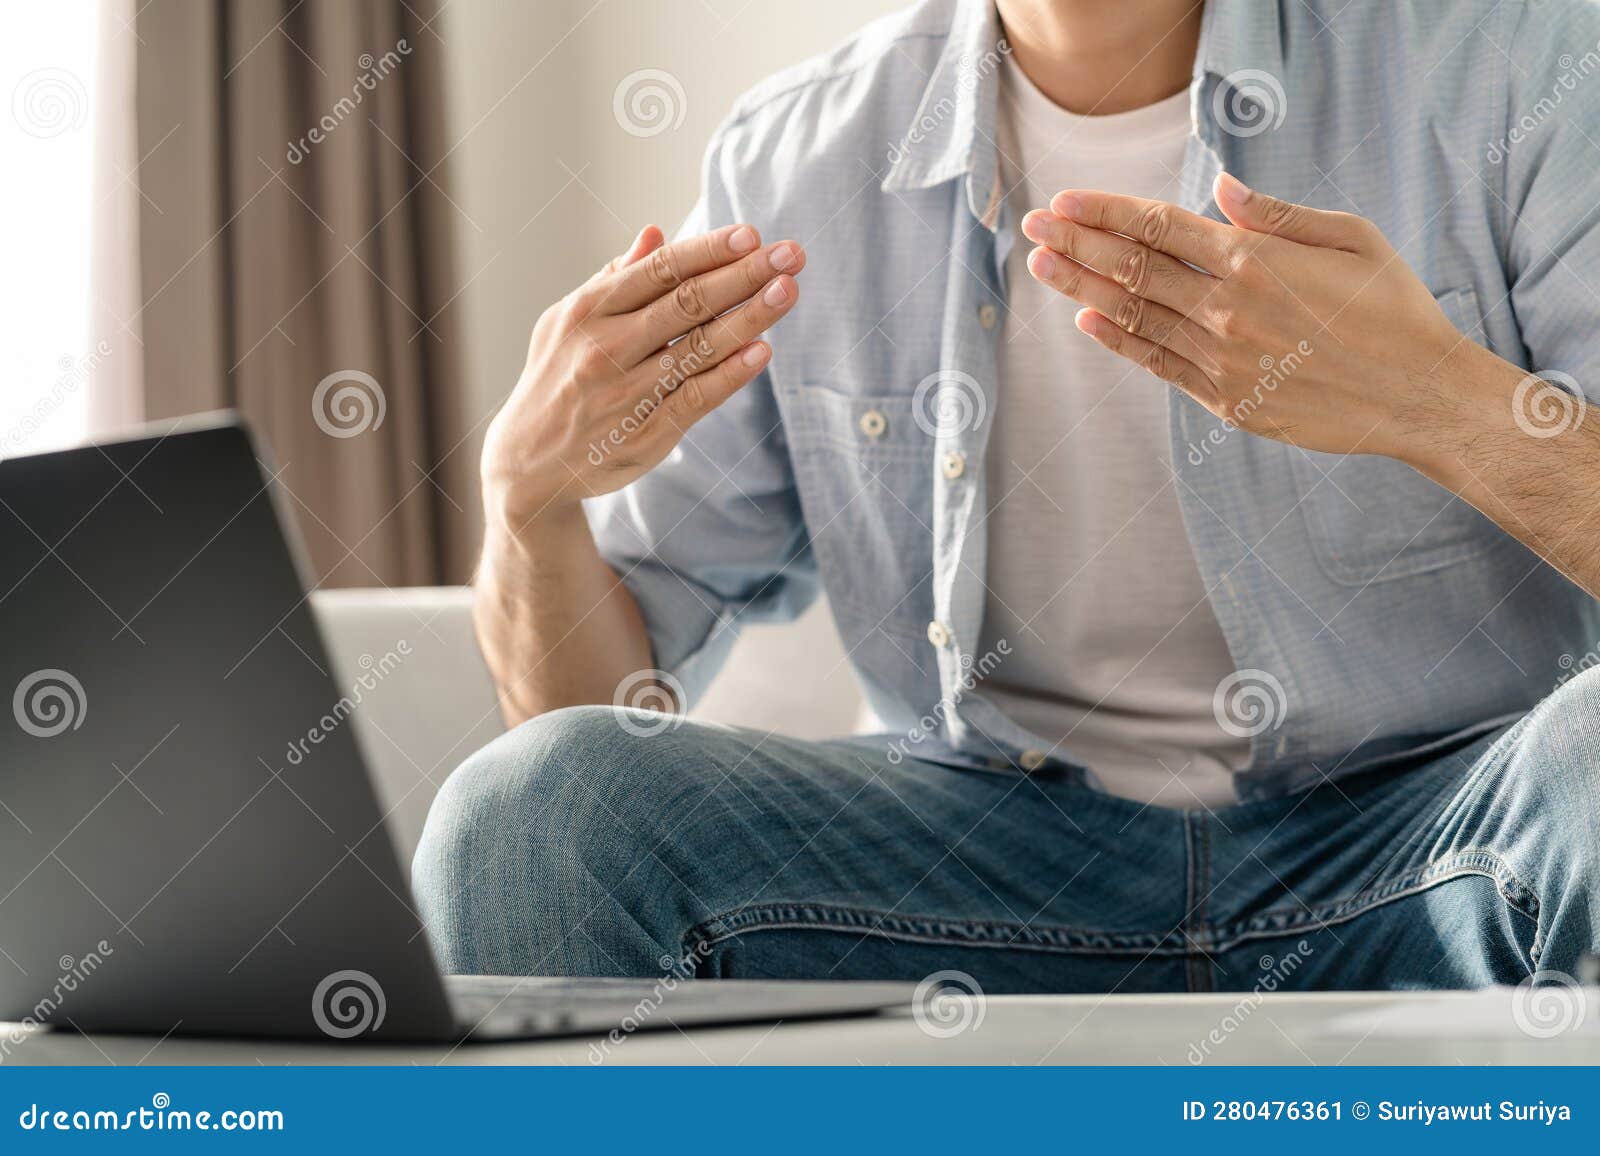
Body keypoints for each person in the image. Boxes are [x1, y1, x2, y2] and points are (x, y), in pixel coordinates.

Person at [414, 0, 1600, 994]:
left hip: (1439, 844)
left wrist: (1435, 402)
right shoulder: (797, 161)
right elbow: (585, 719)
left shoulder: (1518, 65)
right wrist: (526, 503)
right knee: (534, 811)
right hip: (987, 868)